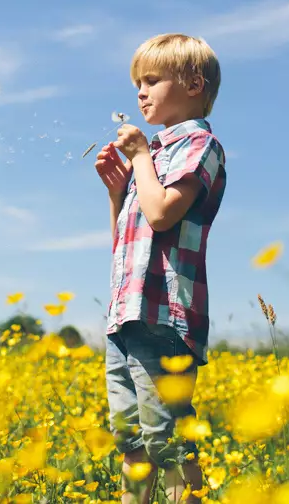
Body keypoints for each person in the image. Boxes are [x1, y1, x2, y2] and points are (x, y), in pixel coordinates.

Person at [94, 33, 227, 503]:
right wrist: (117, 194)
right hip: (126, 316)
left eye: (151, 80)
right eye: (137, 83)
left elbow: (162, 214)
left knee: (166, 442)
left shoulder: (199, 144)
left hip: (165, 317)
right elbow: (124, 246)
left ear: (193, 84)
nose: (140, 92)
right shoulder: (148, 159)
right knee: (131, 443)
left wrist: (140, 158)